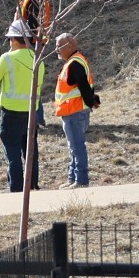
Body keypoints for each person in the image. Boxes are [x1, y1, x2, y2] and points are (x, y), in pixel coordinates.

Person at [0, 20, 46, 192]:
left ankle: (16, 190)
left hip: (11, 114)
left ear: (13, 39)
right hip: (31, 113)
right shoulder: (38, 59)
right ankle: (32, 186)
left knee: (13, 154)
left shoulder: (7, 58)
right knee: (31, 153)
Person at [53, 32, 101, 188]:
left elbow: (84, 86)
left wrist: (90, 101)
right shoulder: (75, 61)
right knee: (73, 147)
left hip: (74, 112)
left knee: (77, 147)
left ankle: (80, 180)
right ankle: (72, 178)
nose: (56, 50)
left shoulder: (74, 63)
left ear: (69, 46)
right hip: (73, 111)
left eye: (58, 46)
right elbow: (85, 86)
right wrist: (91, 101)